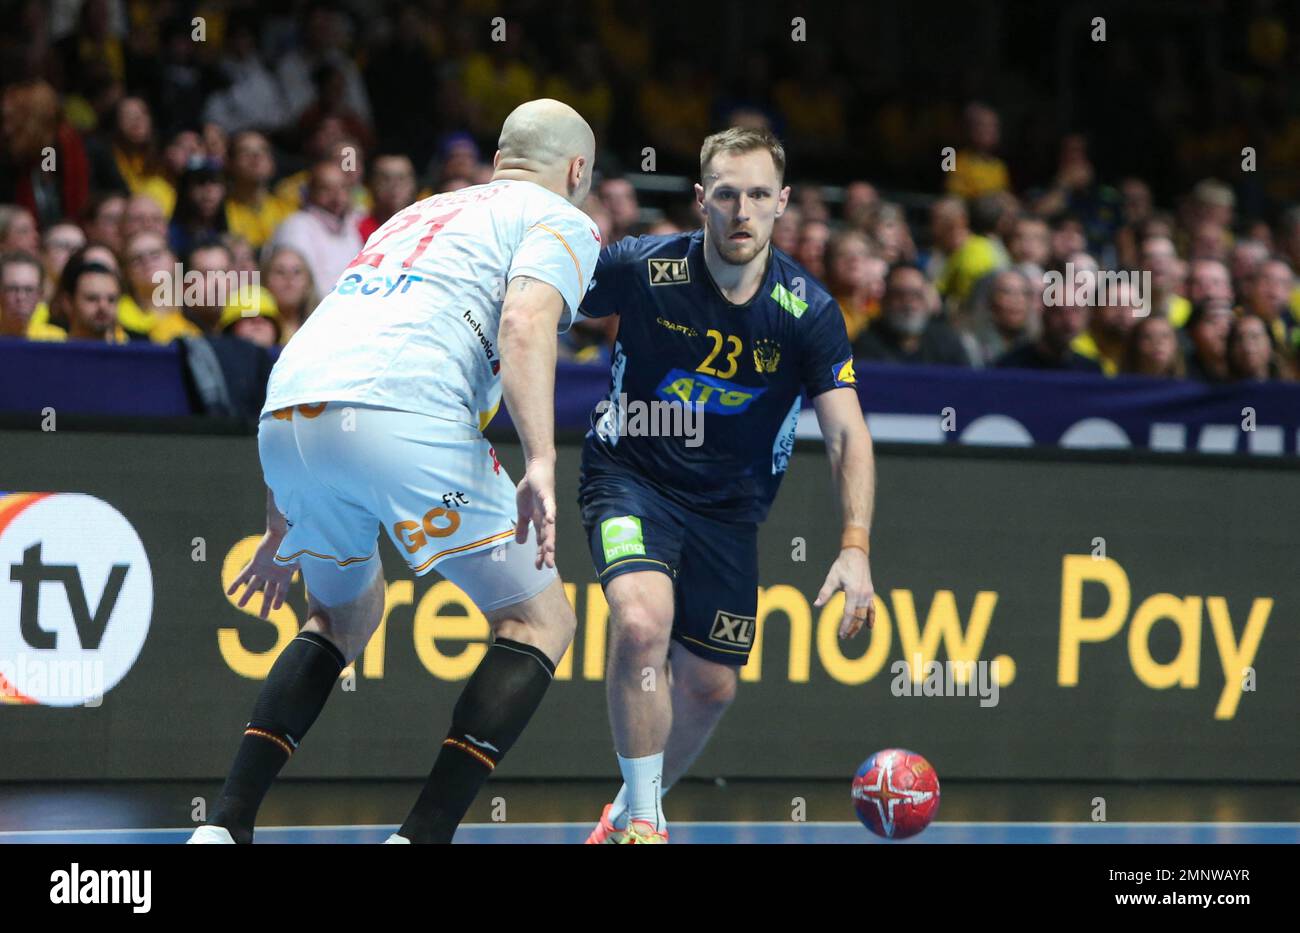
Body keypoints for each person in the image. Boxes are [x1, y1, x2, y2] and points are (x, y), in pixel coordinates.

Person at [188, 99, 601, 845]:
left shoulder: (419, 212)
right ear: (577, 170)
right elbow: (524, 322)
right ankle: (422, 836)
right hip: (406, 411)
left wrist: (281, 517)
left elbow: (340, 336)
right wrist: (539, 458)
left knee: (343, 615)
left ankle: (223, 827)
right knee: (541, 618)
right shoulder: (563, 217)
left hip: (290, 410)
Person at [576, 127, 876, 844]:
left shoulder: (808, 312)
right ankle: (647, 823)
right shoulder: (643, 268)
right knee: (642, 622)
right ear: (700, 200)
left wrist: (856, 544)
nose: (742, 211)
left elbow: (846, 434)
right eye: (727, 194)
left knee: (712, 686)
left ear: (784, 204)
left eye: (759, 195)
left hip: (729, 510)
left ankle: (622, 813)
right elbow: (533, 311)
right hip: (630, 475)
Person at [855, 262, 972, 366]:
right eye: (899, 295)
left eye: (917, 295)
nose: (909, 304)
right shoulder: (865, 346)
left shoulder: (947, 343)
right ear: (884, 299)